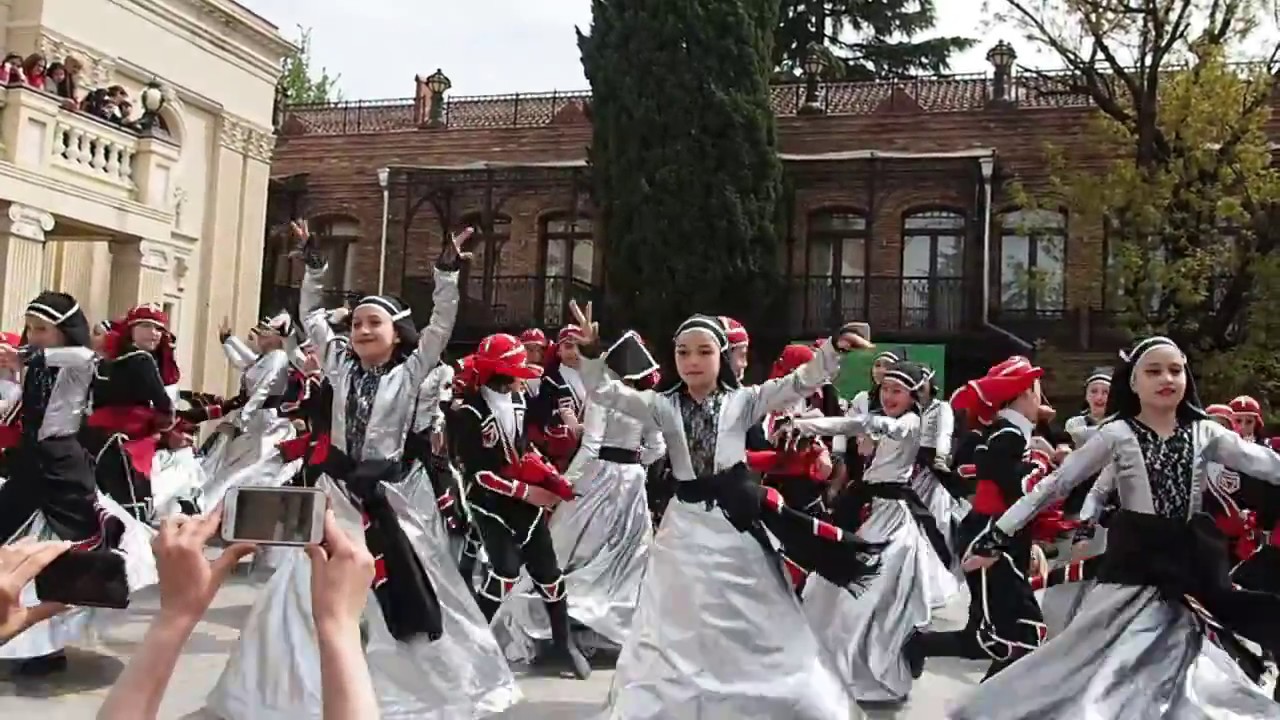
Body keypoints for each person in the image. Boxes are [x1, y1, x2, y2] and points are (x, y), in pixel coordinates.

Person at [207, 221, 520, 719]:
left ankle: (400, 687)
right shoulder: (338, 364)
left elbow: (441, 326)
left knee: (406, 579)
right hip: (336, 495)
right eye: (356, 323)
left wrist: (446, 272)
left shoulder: (411, 370)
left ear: (397, 335)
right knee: (308, 586)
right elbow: (311, 318)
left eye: (375, 323)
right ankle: (298, 685)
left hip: (393, 495)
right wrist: (314, 266)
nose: (363, 330)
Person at [571, 303, 880, 720]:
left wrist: (834, 349)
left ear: (721, 355)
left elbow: (800, 382)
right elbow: (609, 393)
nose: (693, 361)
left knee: (755, 612)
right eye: (683, 352)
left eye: (703, 351)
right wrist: (592, 355)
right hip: (683, 528)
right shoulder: (662, 406)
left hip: (733, 525)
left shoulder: (745, 401)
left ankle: (765, 695)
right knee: (676, 619)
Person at [949, 336, 1280, 719]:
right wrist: (997, 534)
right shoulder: (1117, 433)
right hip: (1134, 564)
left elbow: (1265, 463)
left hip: (1188, 564)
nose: (1166, 378)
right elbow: (1055, 485)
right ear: (1133, 382)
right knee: (1100, 656)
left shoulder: (1207, 433)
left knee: (1185, 659)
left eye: (1175, 370)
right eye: (1153, 371)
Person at [490, 331, 666, 665]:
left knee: (574, 548)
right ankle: (610, 627)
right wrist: (634, 463)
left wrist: (563, 485)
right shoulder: (647, 400)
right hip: (632, 482)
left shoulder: (604, 396)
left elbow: (590, 446)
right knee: (626, 557)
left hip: (602, 477)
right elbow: (658, 448)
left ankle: (569, 620)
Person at [789, 360, 960, 703]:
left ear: (913, 397)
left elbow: (865, 422)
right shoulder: (890, 421)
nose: (890, 395)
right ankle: (837, 664)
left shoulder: (910, 422)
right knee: (832, 589)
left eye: (898, 391)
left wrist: (811, 424)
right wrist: (810, 426)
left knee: (869, 596)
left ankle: (872, 672)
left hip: (892, 518)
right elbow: (860, 425)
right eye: (885, 389)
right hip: (870, 510)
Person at [906, 356, 1056, 681]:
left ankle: (915, 644)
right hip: (991, 541)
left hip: (995, 536)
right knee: (1021, 636)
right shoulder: (1008, 434)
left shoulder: (1010, 432)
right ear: (1027, 392)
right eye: (1038, 391)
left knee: (983, 637)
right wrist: (1045, 462)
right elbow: (1017, 485)